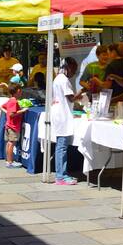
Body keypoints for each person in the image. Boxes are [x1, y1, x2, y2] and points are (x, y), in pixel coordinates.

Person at [47, 57, 80, 185]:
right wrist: (83, 91)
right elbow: (71, 98)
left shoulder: (58, 79)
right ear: (69, 67)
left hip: (60, 113)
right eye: (74, 70)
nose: (74, 73)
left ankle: (62, 173)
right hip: (61, 115)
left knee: (61, 146)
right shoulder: (63, 80)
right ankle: (60, 175)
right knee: (62, 146)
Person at [1, 83, 26, 168]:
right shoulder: (14, 101)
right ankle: (10, 162)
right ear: (18, 91)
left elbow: (2, 107)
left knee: (9, 143)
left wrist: (7, 112)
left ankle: (8, 160)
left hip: (9, 125)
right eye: (20, 91)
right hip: (13, 126)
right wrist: (22, 111)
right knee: (11, 143)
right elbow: (12, 114)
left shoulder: (10, 100)